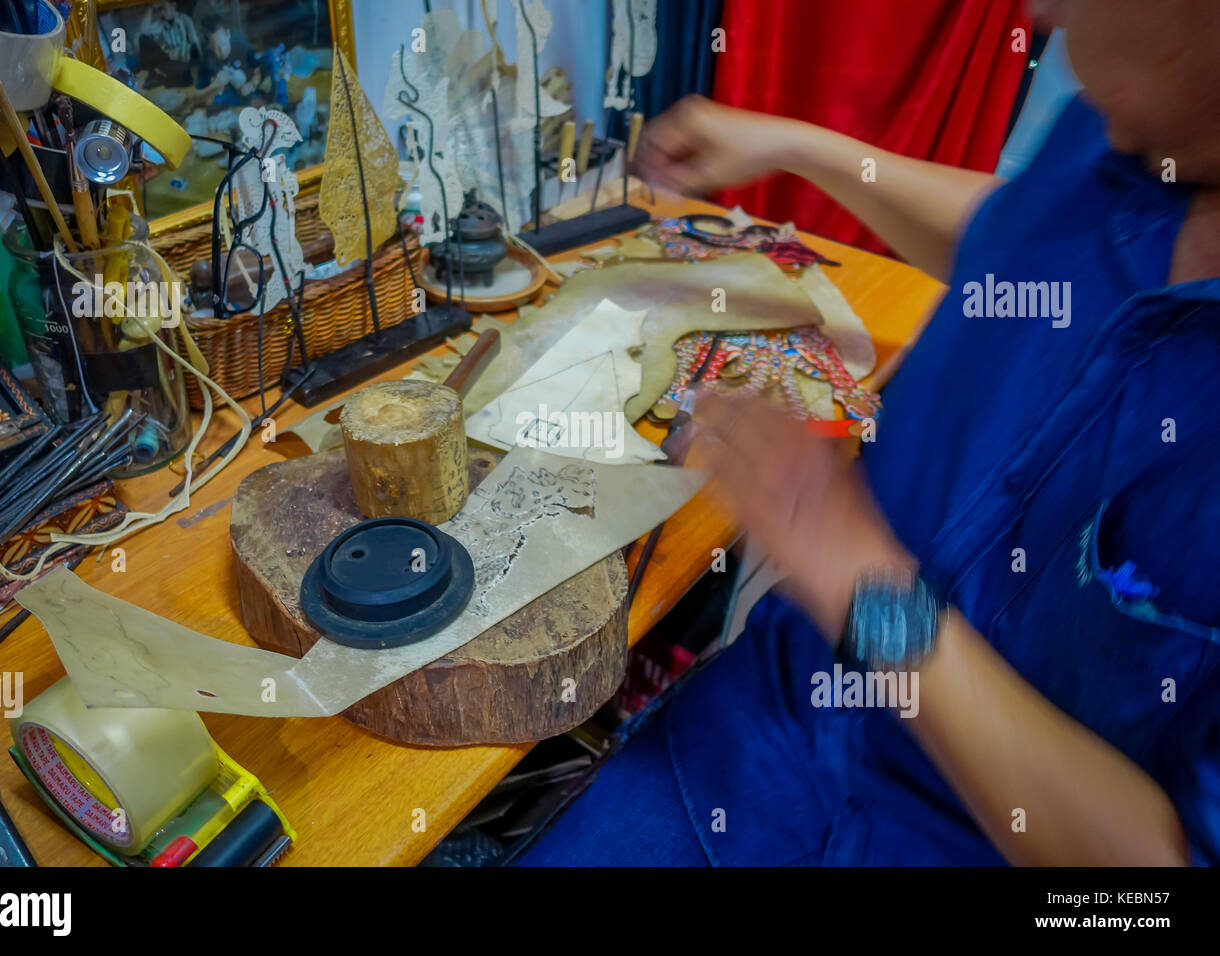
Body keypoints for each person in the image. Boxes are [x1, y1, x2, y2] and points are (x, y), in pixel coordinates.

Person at [516, 0, 1220, 866]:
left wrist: (860, 583)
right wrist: (797, 145)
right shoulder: (1141, 126)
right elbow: (1021, 236)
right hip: (770, 728)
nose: (1040, 10)